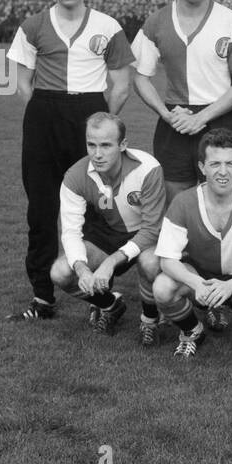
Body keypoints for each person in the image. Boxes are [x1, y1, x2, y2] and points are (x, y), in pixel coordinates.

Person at [7, 0, 134, 320]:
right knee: (42, 210)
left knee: (97, 208)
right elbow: (21, 83)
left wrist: (98, 127)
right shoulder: (32, 26)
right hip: (43, 117)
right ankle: (43, 297)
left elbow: (122, 86)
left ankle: (100, 288)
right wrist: (46, 113)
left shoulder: (108, 27)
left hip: (89, 115)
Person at [131, 0, 232, 204]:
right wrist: (166, 115)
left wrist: (201, 117)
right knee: (176, 205)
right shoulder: (156, 21)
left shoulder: (231, 21)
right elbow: (140, 77)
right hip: (175, 122)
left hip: (219, 122)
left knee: (220, 205)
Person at [153, 129, 232, 362]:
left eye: (230, 164)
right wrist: (196, 283)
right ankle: (192, 331)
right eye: (215, 164)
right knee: (162, 287)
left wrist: (230, 286)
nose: (223, 172)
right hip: (200, 277)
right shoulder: (183, 202)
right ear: (202, 167)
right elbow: (167, 259)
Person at [47, 113, 164, 339]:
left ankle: (150, 318)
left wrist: (111, 262)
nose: (97, 154)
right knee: (61, 272)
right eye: (91, 145)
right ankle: (111, 305)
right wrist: (82, 270)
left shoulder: (148, 168)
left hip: (145, 234)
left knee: (150, 263)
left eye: (106, 146)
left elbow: (151, 229)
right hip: (107, 234)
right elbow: (71, 232)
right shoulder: (75, 176)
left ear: (122, 145)